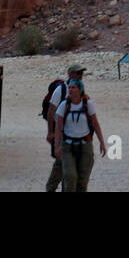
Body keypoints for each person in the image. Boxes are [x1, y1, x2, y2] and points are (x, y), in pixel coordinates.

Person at [54, 79, 105, 192]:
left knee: (83, 179)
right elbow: (58, 127)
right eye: (69, 87)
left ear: (80, 90)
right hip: (67, 146)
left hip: (85, 145)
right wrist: (57, 146)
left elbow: (95, 124)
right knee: (70, 176)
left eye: (73, 88)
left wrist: (102, 142)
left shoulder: (88, 104)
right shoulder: (64, 105)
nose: (70, 90)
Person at [44, 62, 86, 192]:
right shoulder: (60, 90)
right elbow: (51, 112)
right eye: (78, 73)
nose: (81, 76)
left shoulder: (80, 89)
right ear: (70, 74)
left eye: (81, 73)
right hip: (60, 133)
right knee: (61, 164)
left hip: (73, 133)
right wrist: (50, 132)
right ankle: (51, 188)